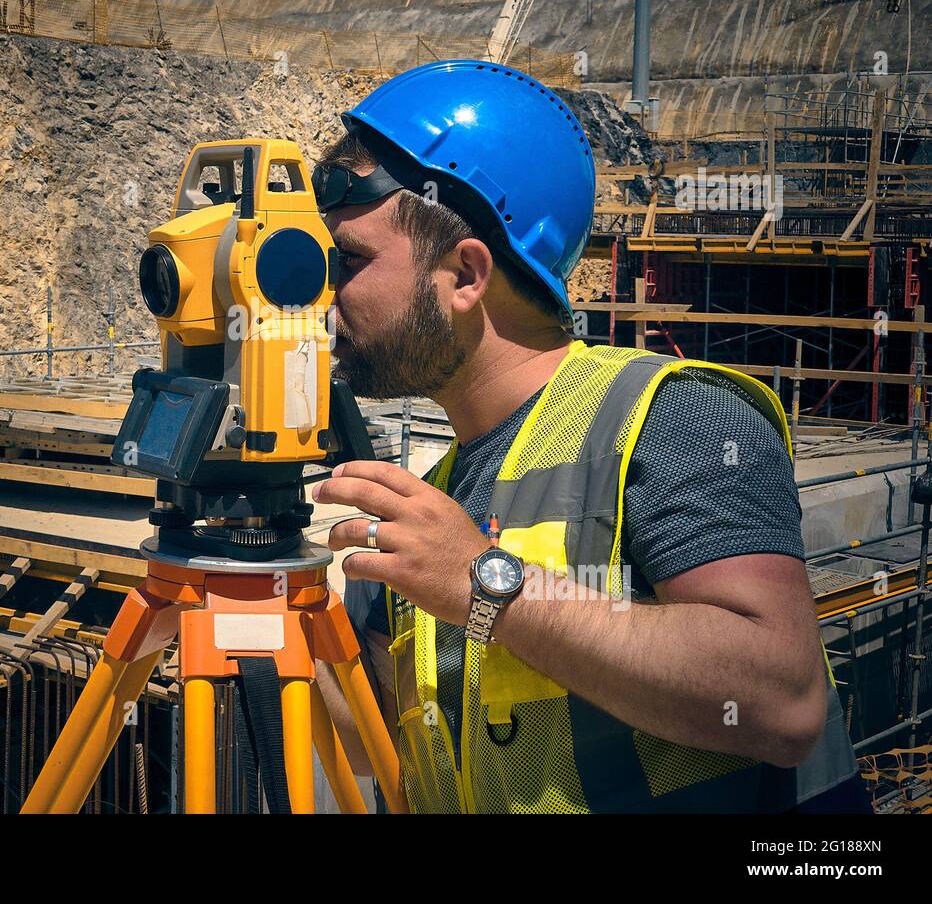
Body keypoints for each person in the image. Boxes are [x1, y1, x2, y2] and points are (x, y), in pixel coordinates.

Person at [309, 60, 866, 813]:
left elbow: (781, 698)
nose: (323, 295)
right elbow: (376, 748)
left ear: (467, 275)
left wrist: (485, 584)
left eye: (349, 261)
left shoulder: (670, 419)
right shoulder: (432, 506)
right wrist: (265, 592)